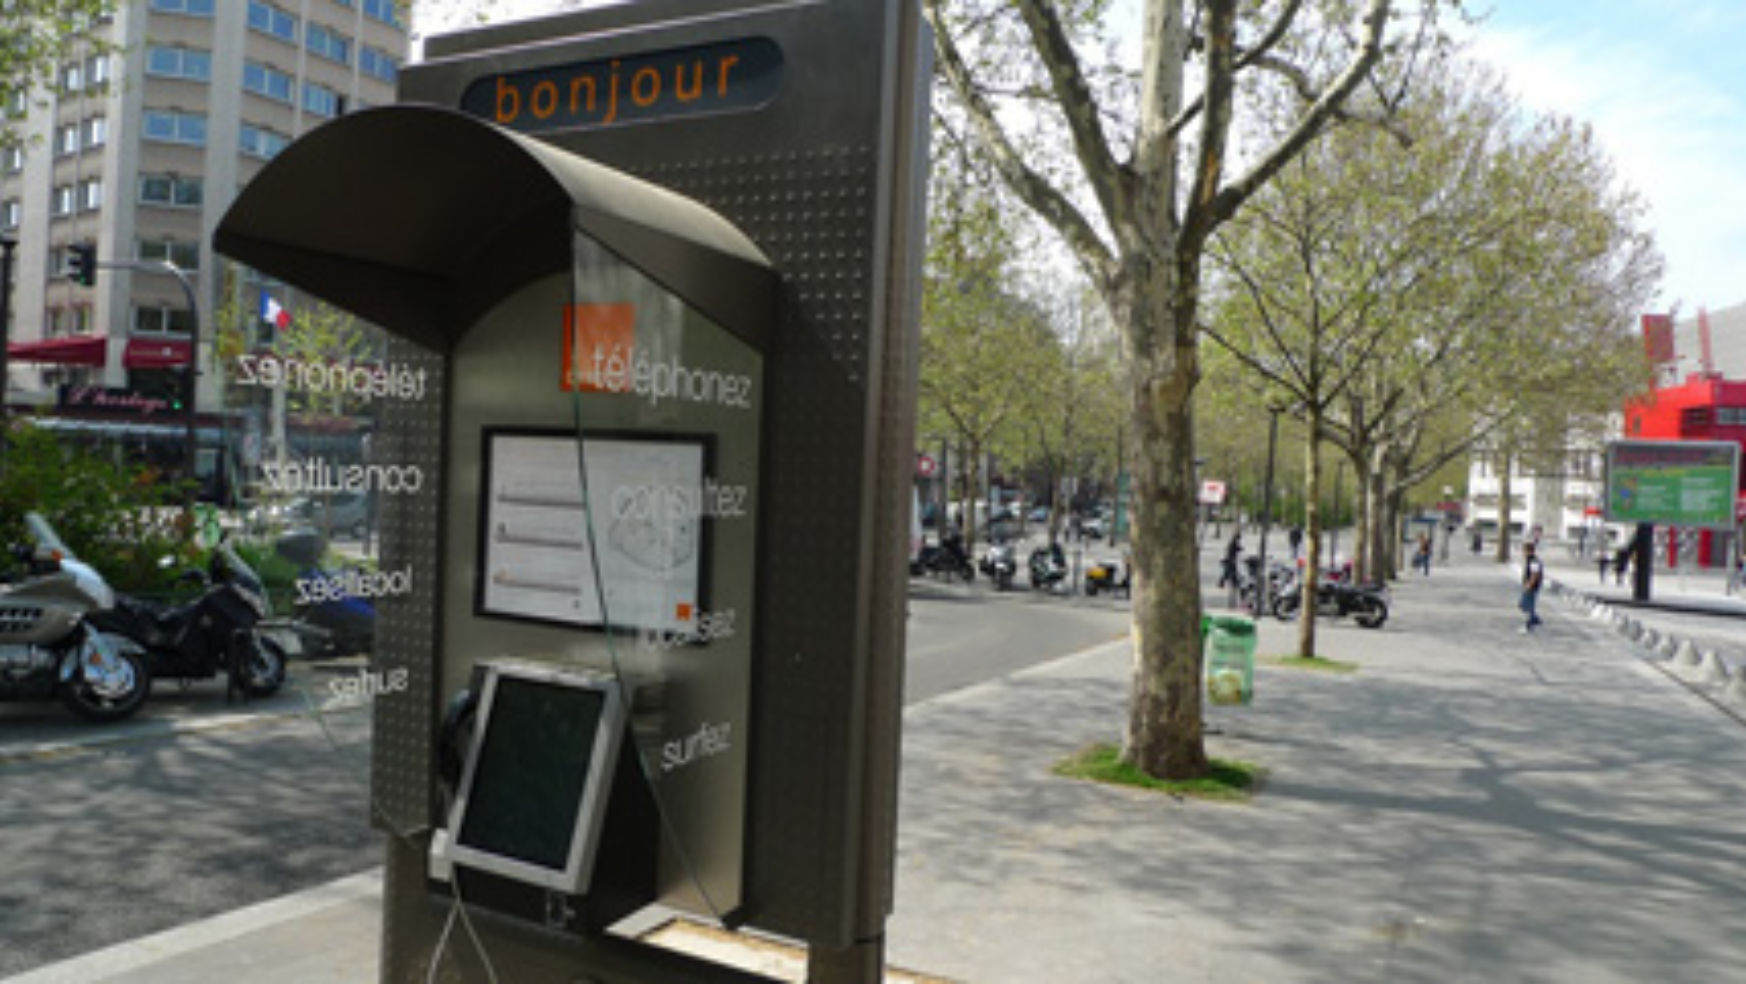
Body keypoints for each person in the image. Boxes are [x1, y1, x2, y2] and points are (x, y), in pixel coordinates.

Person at [1519, 541, 1544, 633]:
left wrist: (1529, 585)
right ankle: (1534, 619)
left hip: (1532, 587)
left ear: (1528, 551)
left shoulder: (1534, 561)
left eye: (1523, 551)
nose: (1522, 553)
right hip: (1529, 585)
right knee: (1524, 605)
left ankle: (1530, 625)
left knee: (1528, 606)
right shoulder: (1530, 560)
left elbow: (1535, 574)